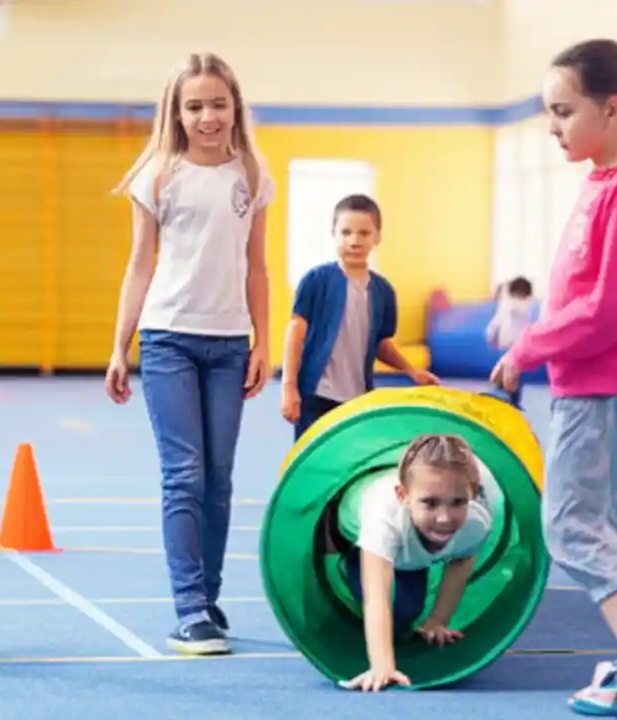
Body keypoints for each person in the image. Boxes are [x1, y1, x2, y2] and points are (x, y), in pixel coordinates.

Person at [490, 39, 617, 716]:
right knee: (606, 518)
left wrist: (529, 346)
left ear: (612, 109)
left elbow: (608, 309)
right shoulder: (604, 183)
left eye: (562, 111)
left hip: (604, 382)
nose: (552, 126)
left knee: (572, 524)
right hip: (596, 376)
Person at [104, 52, 272, 655]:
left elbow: (258, 267)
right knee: (185, 475)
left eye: (218, 104)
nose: (208, 116)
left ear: (235, 107)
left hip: (229, 344)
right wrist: (119, 345)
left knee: (220, 480)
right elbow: (139, 263)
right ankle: (189, 607)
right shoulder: (157, 174)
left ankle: (209, 597)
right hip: (168, 338)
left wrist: (263, 342)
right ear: (176, 112)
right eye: (195, 105)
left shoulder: (252, 172)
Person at [337, 434, 493, 692]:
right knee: (395, 609)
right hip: (349, 526)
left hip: (411, 546)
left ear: (473, 496)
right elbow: (377, 597)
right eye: (430, 503)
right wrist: (382, 666)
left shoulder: (476, 524)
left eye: (458, 502)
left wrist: (438, 620)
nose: (444, 518)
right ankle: (348, 560)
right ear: (402, 495)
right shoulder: (383, 516)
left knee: (408, 612)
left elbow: (459, 567)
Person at [281, 194, 438, 439]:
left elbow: (381, 344)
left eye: (364, 233)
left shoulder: (383, 291)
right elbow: (296, 332)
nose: (354, 241)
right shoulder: (316, 280)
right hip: (316, 396)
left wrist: (412, 371)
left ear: (377, 237)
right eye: (346, 233)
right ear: (333, 233)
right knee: (313, 463)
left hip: (358, 399)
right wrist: (289, 387)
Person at [485, 276, 536, 407]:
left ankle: (512, 399)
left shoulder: (521, 304)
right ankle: (504, 397)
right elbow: (498, 320)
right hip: (508, 342)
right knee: (505, 372)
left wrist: (504, 292)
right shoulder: (511, 304)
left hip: (518, 344)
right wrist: (490, 334)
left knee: (515, 373)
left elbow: (516, 310)